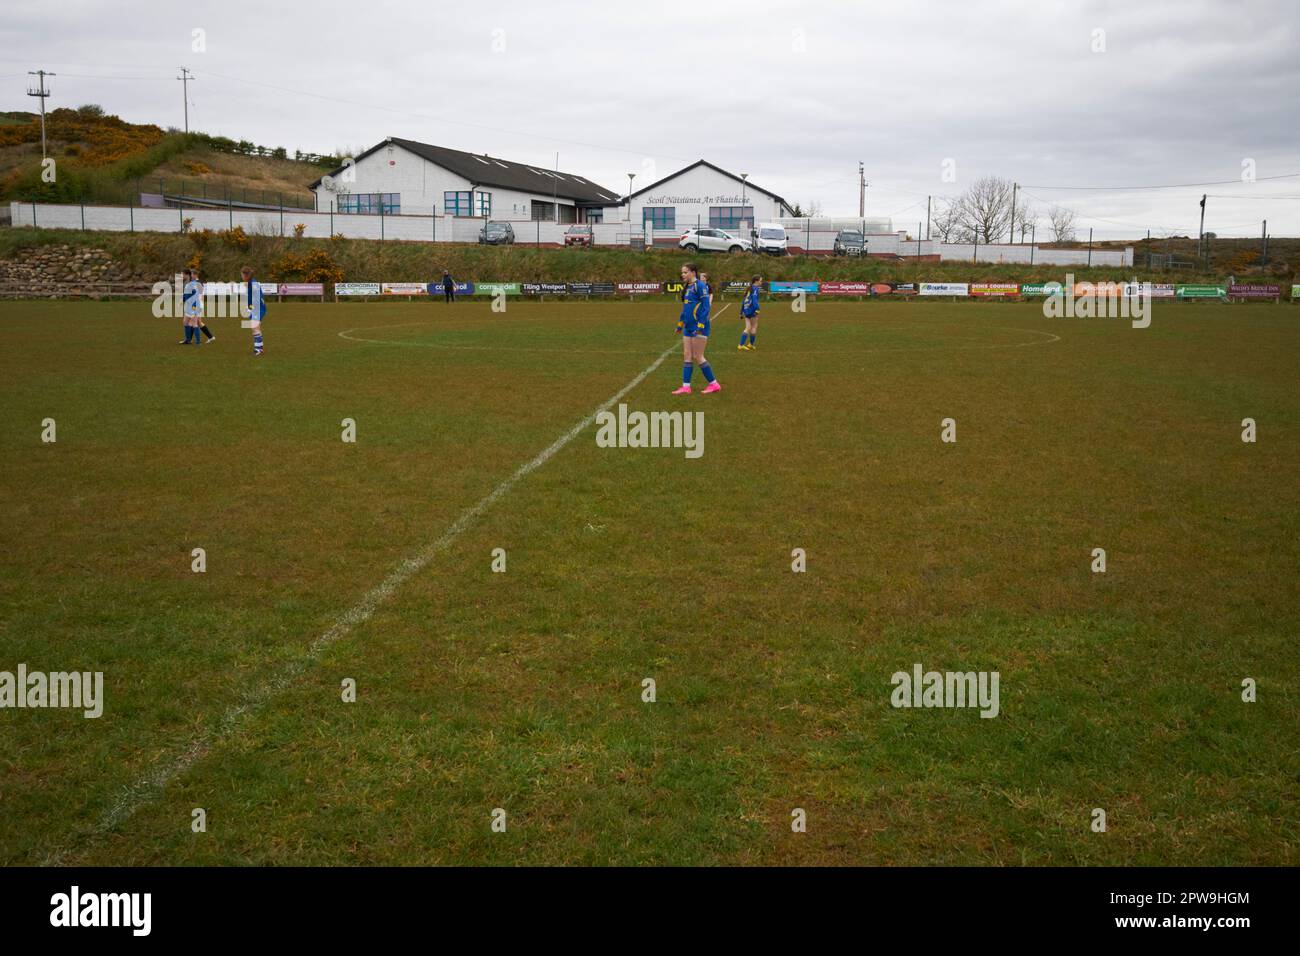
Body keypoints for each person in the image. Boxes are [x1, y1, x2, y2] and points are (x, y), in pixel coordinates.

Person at [672, 262, 720, 395]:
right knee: (687, 355)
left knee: (698, 356)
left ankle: (714, 384)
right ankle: (686, 387)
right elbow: (685, 308)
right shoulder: (687, 287)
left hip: (699, 326)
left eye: (685, 272)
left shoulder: (700, 286)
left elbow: (706, 307)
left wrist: (701, 325)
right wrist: (680, 325)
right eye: (682, 272)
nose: (683, 274)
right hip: (688, 326)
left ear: (693, 272)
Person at [240, 266, 267, 356]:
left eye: (242, 275)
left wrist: (250, 308)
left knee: (254, 327)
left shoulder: (253, 283)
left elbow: (257, 298)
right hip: (256, 308)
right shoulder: (250, 282)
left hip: (258, 308)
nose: (241, 276)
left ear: (246, 275)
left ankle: (258, 350)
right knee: (256, 327)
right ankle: (259, 348)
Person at [180, 269, 203, 345]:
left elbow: (194, 295)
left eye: (183, 274)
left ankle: (198, 342)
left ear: (187, 275)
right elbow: (187, 294)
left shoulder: (193, 284)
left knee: (194, 323)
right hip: (189, 305)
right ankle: (188, 340)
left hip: (194, 306)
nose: (182, 276)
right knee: (185, 322)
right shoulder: (188, 283)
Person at [739, 275, 761, 350]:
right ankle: (748, 344)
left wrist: (741, 312)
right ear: (756, 281)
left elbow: (744, 300)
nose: (761, 282)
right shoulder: (755, 289)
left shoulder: (749, 288)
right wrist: (757, 309)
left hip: (746, 309)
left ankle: (742, 344)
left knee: (748, 327)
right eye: (760, 280)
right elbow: (755, 300)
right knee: (753, 327)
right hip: (752, 310)